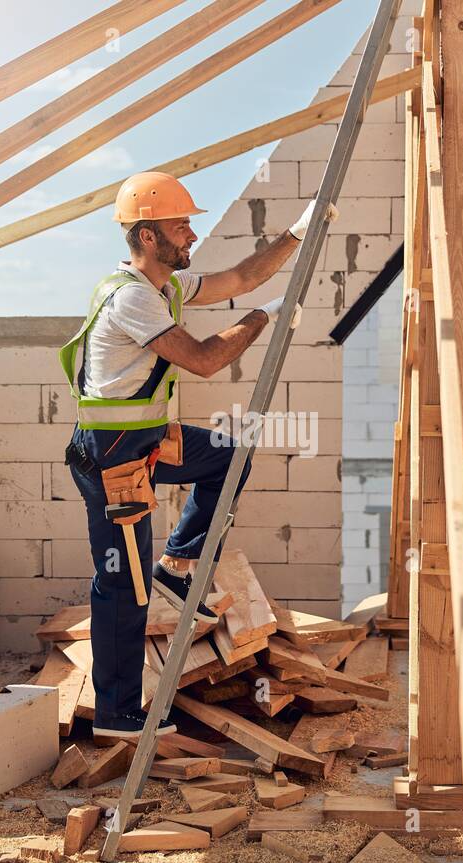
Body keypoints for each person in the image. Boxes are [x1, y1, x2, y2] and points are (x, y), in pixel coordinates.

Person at [59, 171, 336, 739]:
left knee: (226, 458)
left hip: (146, 439)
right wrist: (266, 317)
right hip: (113, 458)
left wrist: (296, 233)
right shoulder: (133, 297)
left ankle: (177, 567)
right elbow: (206, 359)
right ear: (147, 237)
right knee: (122, 588)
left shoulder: (165, 287)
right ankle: (116, 714)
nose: (189, 234)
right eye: (179, 225)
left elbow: (239, 276)